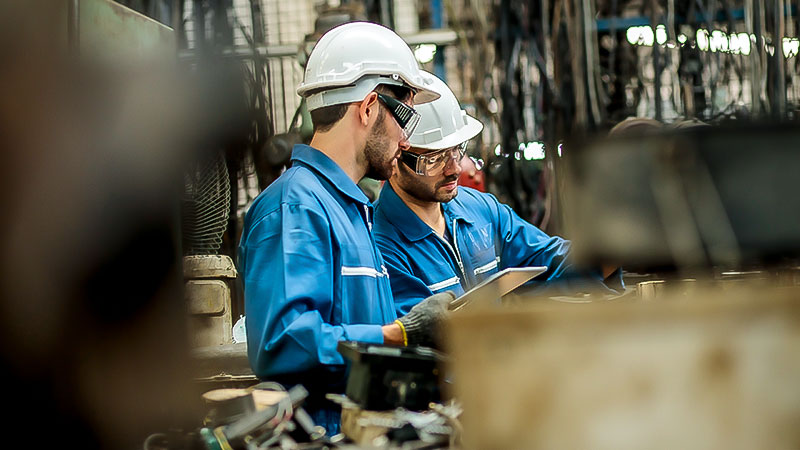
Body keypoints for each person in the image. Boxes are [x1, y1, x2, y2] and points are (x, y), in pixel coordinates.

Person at [237, 22, 454, 435]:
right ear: (369, 107)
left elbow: (362, 327)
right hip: (320, 436)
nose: (406, 141)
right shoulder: (295, 207)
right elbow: (283, 341)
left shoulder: (354, 208)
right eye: (404, 120)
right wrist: (400, 333)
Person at [374, 72, 623, 315]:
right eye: (433, 159)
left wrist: (620, 248)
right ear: (395, 157)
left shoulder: (479, 210)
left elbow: (549, 260)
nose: (455, 169)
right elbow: (417, 336)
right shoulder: (381, 244)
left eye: (456, 150)